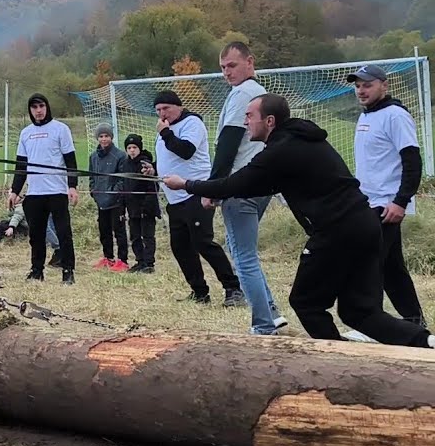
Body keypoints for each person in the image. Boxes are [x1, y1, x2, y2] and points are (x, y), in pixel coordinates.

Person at [164, 94, 434, 349]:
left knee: (305, 302)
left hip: (337, 232)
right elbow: (255, 185)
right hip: (364, 225)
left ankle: (336, 360)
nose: (245, 121)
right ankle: (425, 344)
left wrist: (186, 184)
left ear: (269, 121)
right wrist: (213, 191)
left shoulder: (282, 150)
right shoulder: (301, 140)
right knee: (359, 312)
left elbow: (235, 182)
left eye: (249, 115)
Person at [212, 42, 287, 334]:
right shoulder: (260, 95)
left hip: (241, 184)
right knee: (239, 248)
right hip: (261, 183)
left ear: (249, 62)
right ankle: (270, 310)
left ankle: (263, 324)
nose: (226, 72)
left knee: (243, 257)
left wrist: (213, 188)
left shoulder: (244, 93)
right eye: (222, 68)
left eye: (231, 65)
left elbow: (228, 142)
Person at [349, 64, 428, 329]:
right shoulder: (366, 116)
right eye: (358, 85)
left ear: (384, 85)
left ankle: (372, 324)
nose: (361, 90)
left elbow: (412, 161)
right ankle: (414, 320)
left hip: (386, 204)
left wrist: (400, 201)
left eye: (367, 85)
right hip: (367, 202)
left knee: (369, 265)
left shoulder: (395, 115)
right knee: (392, 267)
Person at [151, 91, 243, 305]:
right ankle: (199, 291)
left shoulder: (192, 123)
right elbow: (168, 157)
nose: (162, 114)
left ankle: (233, 288)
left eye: (166, 108)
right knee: (180, 246)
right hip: (174, 199)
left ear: (178, 106)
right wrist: (153, 168)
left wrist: (165, 133)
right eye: (158, 110)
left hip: (195, 192)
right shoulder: (164, 129)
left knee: (203, 242)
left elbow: (186, 151)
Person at [7, 93, 79, 284]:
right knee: (36, 236)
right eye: (34, 107)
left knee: (64, 233)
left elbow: (71, 160)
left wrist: (72, 186)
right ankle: (37, 271)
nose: (38, 111)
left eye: (41, 106)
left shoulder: (61, 129)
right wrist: (14, 190)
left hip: (57, 192)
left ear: (47, 107)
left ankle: (68, 271)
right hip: (34, 194)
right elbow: (21, 165)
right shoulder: (25, 133)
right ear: (30, 110)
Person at [89, 123, 130, 272]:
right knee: (104, 230)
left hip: (116, 201)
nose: (104, 139)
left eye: (106, 136)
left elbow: (122, 180)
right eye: (101, 136)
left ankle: (123, 260)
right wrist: (93, 191)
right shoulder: (93, 157)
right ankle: (108, 257)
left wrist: (114, 193)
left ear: (111, 137)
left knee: (118, 230)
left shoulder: (120, 156)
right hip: (101, 200)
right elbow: (91, 176)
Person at [121, 134, 159, 273]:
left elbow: (151, 187)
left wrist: (146, 206)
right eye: (129, 148)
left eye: (134, 147)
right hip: (132, 208)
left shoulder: (145, 164)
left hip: (146, 207)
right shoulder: (125, 164)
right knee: (135, 235)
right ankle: (140, 261)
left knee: (147, 235)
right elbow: (125, 186)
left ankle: (149, 263)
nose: (132, 150)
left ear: (140, 148)